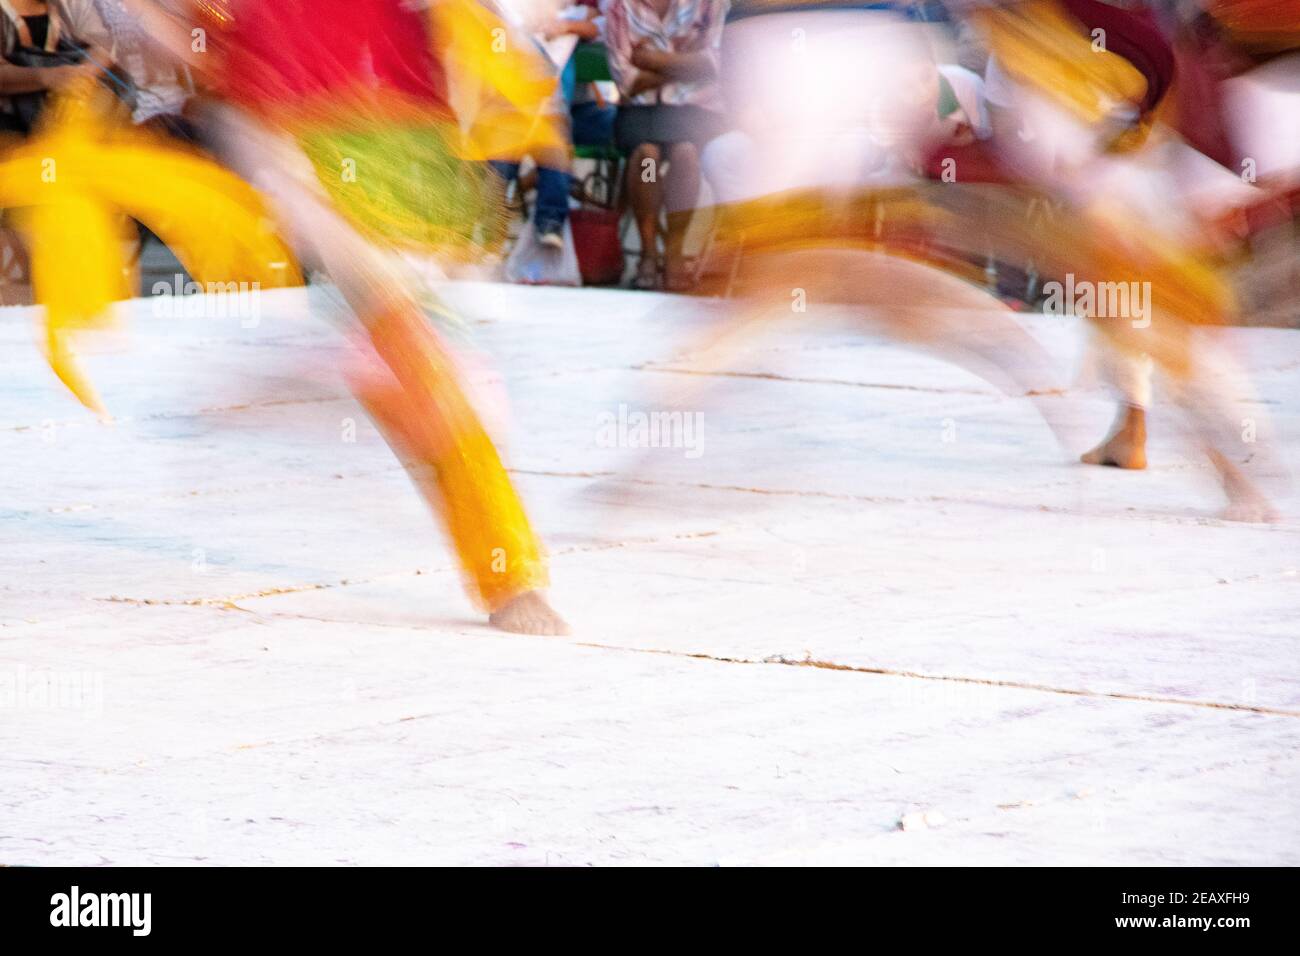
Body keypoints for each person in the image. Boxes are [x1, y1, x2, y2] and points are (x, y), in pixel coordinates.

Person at [15, 0, 572, 634]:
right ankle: (508, 572)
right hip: (308, 138)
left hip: (406, 145)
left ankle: (337, 376)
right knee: (410, 342)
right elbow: (201, 41)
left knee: (410, 344)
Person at [602, 0, 728, 290]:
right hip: (641, 110)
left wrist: (648, 59)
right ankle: (648, 251)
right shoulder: (621, 7)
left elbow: (712, 64)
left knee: (686, 153)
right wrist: (684, 65)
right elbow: (626, 80)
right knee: (647, 157)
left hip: (691, 109)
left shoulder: (709, 4)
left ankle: (674, 251)